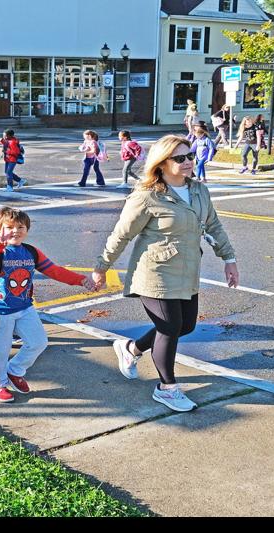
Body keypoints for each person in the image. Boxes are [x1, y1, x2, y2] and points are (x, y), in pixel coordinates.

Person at [89, 135, 239, 413]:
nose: (188, 162)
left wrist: (228, 259)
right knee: (170, 327)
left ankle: (132, 349)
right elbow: (121, 234)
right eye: (179, 158)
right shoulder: (147, 196)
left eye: (190, 156)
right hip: (155, 272)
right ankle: (167, 388)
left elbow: (213, 226)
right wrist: (102, 266)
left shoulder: (198, 191)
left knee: (186, 326)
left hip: (186, 271)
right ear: (162, 163)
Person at [0, 206, 92, 402]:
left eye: (20, 226)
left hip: (24, 308)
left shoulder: (30, 252)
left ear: (27, 229)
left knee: (39, 342)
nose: (15, 231)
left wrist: (81, 280)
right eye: (9, 227)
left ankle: (14, 370)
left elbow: (54, 270)